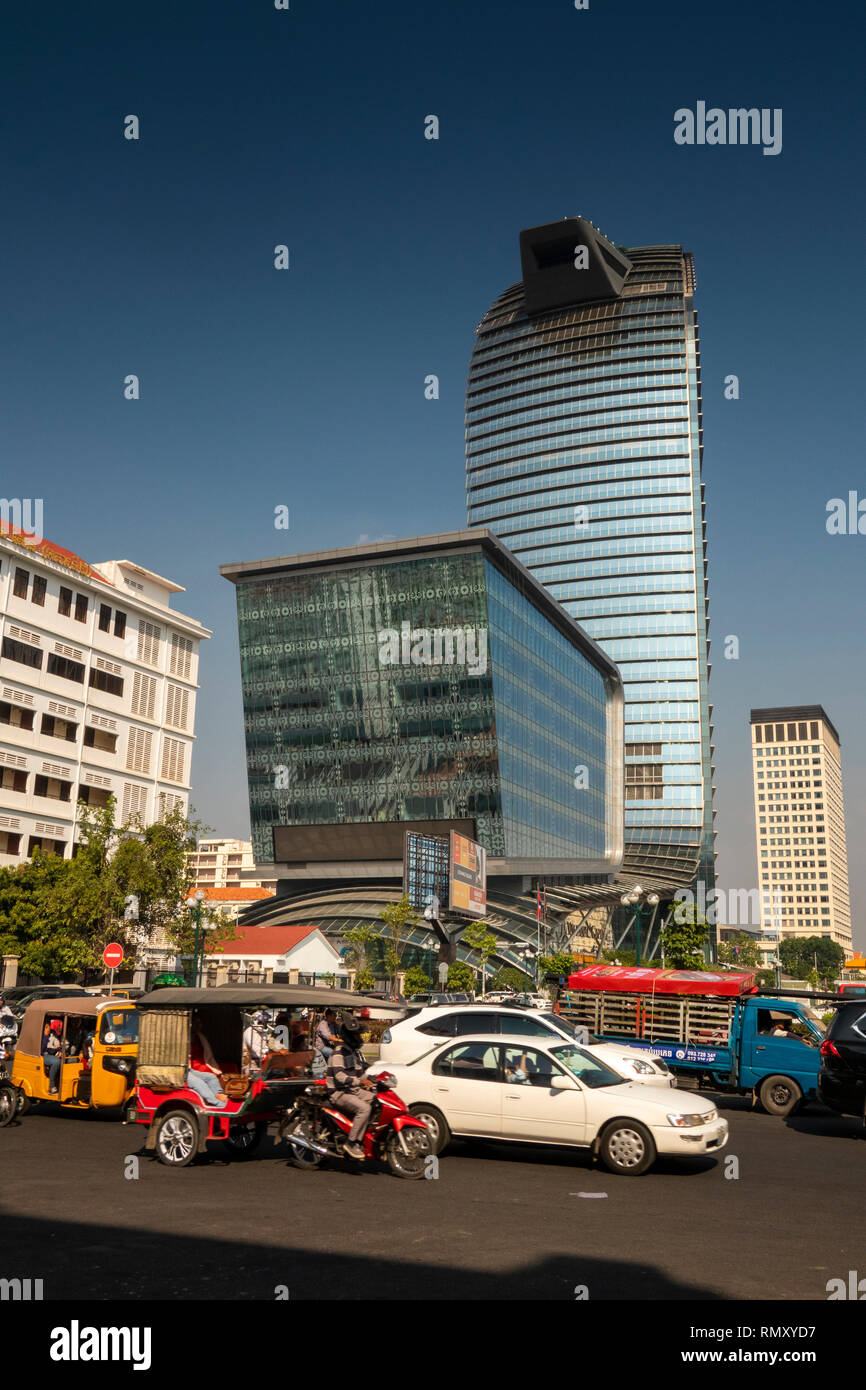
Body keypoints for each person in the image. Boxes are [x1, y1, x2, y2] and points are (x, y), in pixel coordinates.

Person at [325, 1013, 376, 1160]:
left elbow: (360, 1073)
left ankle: (360, 1138)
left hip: (351, 1090)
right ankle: (351, 1142)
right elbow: (340, 1077)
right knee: (364, 1108)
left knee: (376, 1100)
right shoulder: (338, 1052)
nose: (359, 1039)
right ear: (349, 1037)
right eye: (356, 1036)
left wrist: (373, 1080)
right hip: (338, 1093)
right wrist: (360, 1082)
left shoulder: (352, 1053)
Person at [42, 1018, 64, 1094]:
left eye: (48, 1027)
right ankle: (51, 1086)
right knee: (56, 1061)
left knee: (71, 1060)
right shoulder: (41, 1037)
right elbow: (43, 1049)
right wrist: (53, 1049)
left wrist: (59, 1051)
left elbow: (58, 1045)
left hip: (52, 1054)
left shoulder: (52, 1035)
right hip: (43, 1056)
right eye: (46, 1028)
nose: (48, 1030)